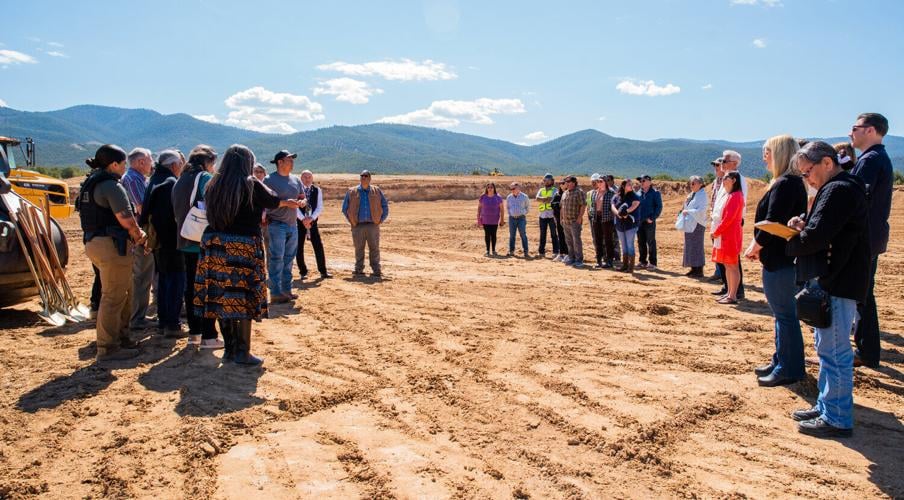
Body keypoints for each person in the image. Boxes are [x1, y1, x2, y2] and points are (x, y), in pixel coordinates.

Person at [786, 141, 870, 438]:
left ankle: (836, 416)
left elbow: (819, 236)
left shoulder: (839, 189)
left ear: (827, 163)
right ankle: (826, 406)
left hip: (837, 280)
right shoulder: (842, 187)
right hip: (837, 279)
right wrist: (803, 227)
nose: (807, 178)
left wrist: (793, 240)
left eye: (808, 171)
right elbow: (820, 228)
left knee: (834, 351)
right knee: (827, 349)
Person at [195, 145, 294, 365]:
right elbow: (273, 200)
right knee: (243, 297)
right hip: (243, 245)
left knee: (221, 295)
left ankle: (230, 350)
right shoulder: (250, 184)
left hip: (215, 245)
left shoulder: (213, 183)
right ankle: (242, 352)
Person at [745, 135, 807, 386]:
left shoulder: (783, 184)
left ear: (779, 153)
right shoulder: (791, 182)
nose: (764, 156)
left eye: (767, 151)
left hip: (780, 260)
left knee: (785, 316)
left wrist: (755, 245)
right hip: (783, 257)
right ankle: (781, 359)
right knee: (782, 315)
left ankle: (789, 368)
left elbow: (771, 222)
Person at [77, 144, 147, 361]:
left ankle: (120, 338)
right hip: (111, 245)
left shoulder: (91, 182)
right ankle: (108, 347)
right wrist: (139, 236)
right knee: (114, 296)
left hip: (95, 242)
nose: (125, 168)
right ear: (114, 164)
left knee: (122, 292)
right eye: (124, 163)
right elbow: (127, 219)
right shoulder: (111, 186)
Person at [849, 113, 893, 369]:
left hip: (863, 238)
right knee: (863, 294)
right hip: (870, 237)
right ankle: (866, 349)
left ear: (872, 130)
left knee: (862, 294)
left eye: (855, 127)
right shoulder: (873, 158)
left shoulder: (871, 160)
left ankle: (867, 351)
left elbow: (855, 199)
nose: (851, 132)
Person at [173, 144, 225, 349]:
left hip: (185, 238)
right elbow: (217, 204)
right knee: (208, 288)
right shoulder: (203, 178)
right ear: (207, 162)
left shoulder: (181, 180)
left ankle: (194, 333)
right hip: (201, 240)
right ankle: (209, 335)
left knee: (191, 288)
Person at [140, 150, 187, 338]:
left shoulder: (155, 179)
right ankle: (172, 324)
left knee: (164, 281)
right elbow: (170, 217)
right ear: (174, 165)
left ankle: (163, 321)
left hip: (158, 241)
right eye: (180, 164)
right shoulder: (169, 183)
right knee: (174, 282)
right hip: (171, 242)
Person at [121, 148, 155, 330]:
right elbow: (143, 207)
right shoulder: (133, 180)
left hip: (140, 236)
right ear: (141, 162)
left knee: (144, 277)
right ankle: (136, 317)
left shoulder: (138, 179)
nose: (152, 163)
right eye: (150, 160)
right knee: (140, 277)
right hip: (139, 237)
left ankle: (140, 315)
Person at [263, 150, 304, 303]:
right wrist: (286, 203)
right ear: (280, 162)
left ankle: (286, 290)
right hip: (276, 224)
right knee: (277, 258)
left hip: (292, 225)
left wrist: (302, 203)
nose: (292, 162)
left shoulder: (296, 180)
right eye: (289, 160)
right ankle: (275, 292)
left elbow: (302, 197)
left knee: (289, 259)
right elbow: (265, 202)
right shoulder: (268, 180)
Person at [712, 151, 748, 298]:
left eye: (725, 161)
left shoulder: (738, 180)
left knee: (731, 260)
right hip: (720, 224)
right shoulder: (724, 179)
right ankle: (728, 287)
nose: (722, 163)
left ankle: (736, 290)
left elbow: (737, 205)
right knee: (724, 260)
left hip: (729, 226)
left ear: (734, 163)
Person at [341, 170, 389, 276]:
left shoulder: (376, 191)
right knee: (359, 248)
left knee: (374, 248)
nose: (363, 178)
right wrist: (352, 221)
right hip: (357, 225)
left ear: (370, 178)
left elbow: (385, 206)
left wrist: (380, 220)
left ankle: (376, 269)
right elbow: (344, 209)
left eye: (366, 176)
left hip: (373, 225)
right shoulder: (351, 191)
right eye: (362, 176)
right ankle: (358, 269)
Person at [710, 171, 744, 304]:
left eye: (726, 178)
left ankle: (733, 295)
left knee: (732, 265)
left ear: (734, 180)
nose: (723, 181)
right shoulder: (730, 195)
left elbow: (728, 218)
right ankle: (730, 293)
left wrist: (716, 232)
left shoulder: (736, 196)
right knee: (727, 265)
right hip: (725, 234)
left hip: (730, 235)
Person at [295, 170, 331, 279]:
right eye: (305, 177)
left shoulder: (317, 190)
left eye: (309, 177)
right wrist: (303, 219)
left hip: (313, 222)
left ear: (312, 178)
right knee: (298, 247)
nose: (307, 179)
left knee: (318, 246)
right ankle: (303, 272)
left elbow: (320, 207)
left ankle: (323, 271)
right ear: (301, 178)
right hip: (299, 222)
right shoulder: (296, 190)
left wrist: (311, 218)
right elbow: (295, 206)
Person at [680, 176, 709, 277]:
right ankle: (693, 268)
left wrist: (688, 211)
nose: (691, 185)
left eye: (693, 183)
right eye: (690, 183)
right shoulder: (693, 194)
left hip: (698, 223)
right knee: (690, 246)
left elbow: (701, 210)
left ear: (700, 184)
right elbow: (686, 206)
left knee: (697, 246)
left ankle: (699, 270)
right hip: (690, 223)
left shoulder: (702, 196)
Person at [611, 179, 640, 272]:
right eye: (628, 184)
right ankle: (624, 265)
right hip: (620, 224)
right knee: (623, 245)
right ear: (623, 186)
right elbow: (612, 206)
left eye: (631, 184)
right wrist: (619, 214)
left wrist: (626, 212)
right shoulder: (617, 196)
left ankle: (630, 267)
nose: (631, 186)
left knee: (630, 244)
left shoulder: (635, 196)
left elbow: (635, 204)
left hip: (630, 224)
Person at [636, 174, 663, 270]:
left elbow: (659, 207)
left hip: (649, 221)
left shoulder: (655, 193)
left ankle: (653, 263)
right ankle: (642, 261)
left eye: (643, 181)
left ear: (649, 182)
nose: (641, 183)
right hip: (639, 222)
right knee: (641, 242)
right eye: (640, 181)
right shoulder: (638, 193)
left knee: (651, 242)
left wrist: (652, 218)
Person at [559, 175, 586, 267]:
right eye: (566, 181)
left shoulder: (579, 192)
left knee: (576, 241)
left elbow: (583, 205)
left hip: (575, 221)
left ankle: (579, 260)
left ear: (574, 182)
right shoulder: (565, 193)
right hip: (566, 221)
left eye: (568, 181)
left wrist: (579, 218)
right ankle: (571, 258)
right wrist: (561, 218)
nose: (566, 183)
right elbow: (562, 206)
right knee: (569, 241)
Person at [589, 175, 615, 268]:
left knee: (608, 240)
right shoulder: (594, 193)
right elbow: (592, 206)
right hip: (596, 218)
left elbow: (614, 206)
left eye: (601, 181)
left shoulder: (611, 193)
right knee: (598, 240)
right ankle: (599, 261)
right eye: (598, 181)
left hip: (607, 219)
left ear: (605, 182)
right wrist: (592, 215)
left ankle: (610, 261)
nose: (599, 183)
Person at [708, 158, 725, 282]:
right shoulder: (715, 182)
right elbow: (713, 198)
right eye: (714, 165)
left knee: (722, 246)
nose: (716, 168)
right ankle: (718, 271)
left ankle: (723, 274)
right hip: (715, 218)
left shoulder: (727, 181)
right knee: (715, 246)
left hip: (722, 219)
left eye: (717, 165)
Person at [535, 174, 559, 258]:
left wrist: (544, 199)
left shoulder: (555, 190)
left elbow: (552, 199)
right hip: (542, 216)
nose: (546, 181)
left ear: (552, 181)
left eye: (548, 180)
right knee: (542, 234)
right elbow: (537, 198)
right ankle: (541, 252)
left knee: (554, 234)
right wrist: (547, 199)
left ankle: (556, 251)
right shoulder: (541, 190)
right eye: (545, 180)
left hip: (552, 216)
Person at [477, 182, 505, 256]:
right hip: (485, 219)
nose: (490, 189)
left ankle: (493, 250)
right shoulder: (483, 197)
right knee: (487, 235)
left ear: (494, 188)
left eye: (491, 187)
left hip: (495, 219)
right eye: (488, 187)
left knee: (493, 235)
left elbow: (502, 209)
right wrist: (478, 218)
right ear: (486, 188)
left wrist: (502, 219)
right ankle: (487, 251)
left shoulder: (498, 197)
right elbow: (479, 208)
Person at [505, 182, 530, 257]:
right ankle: (511, 251)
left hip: (521, 218)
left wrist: (522, 213)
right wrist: (511, 214)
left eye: (513, 188)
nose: (512, 190)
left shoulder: (524, 197)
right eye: (511, 189)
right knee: (512, 235)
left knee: (523, 235)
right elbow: (508, 207)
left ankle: (526, 252)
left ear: (518, 188)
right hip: (512, 219)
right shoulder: (509, 197)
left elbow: (528, 207)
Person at [551, 180, 568, 262]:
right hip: (558, 219)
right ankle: (561, 254)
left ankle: (568, 254)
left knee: (567, 237)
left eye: (563, 183)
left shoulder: (568, 194)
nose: (562, 185)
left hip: (567, 219)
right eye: (561, 183)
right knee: (560, 236)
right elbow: (552, 204)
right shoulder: (557, 194)